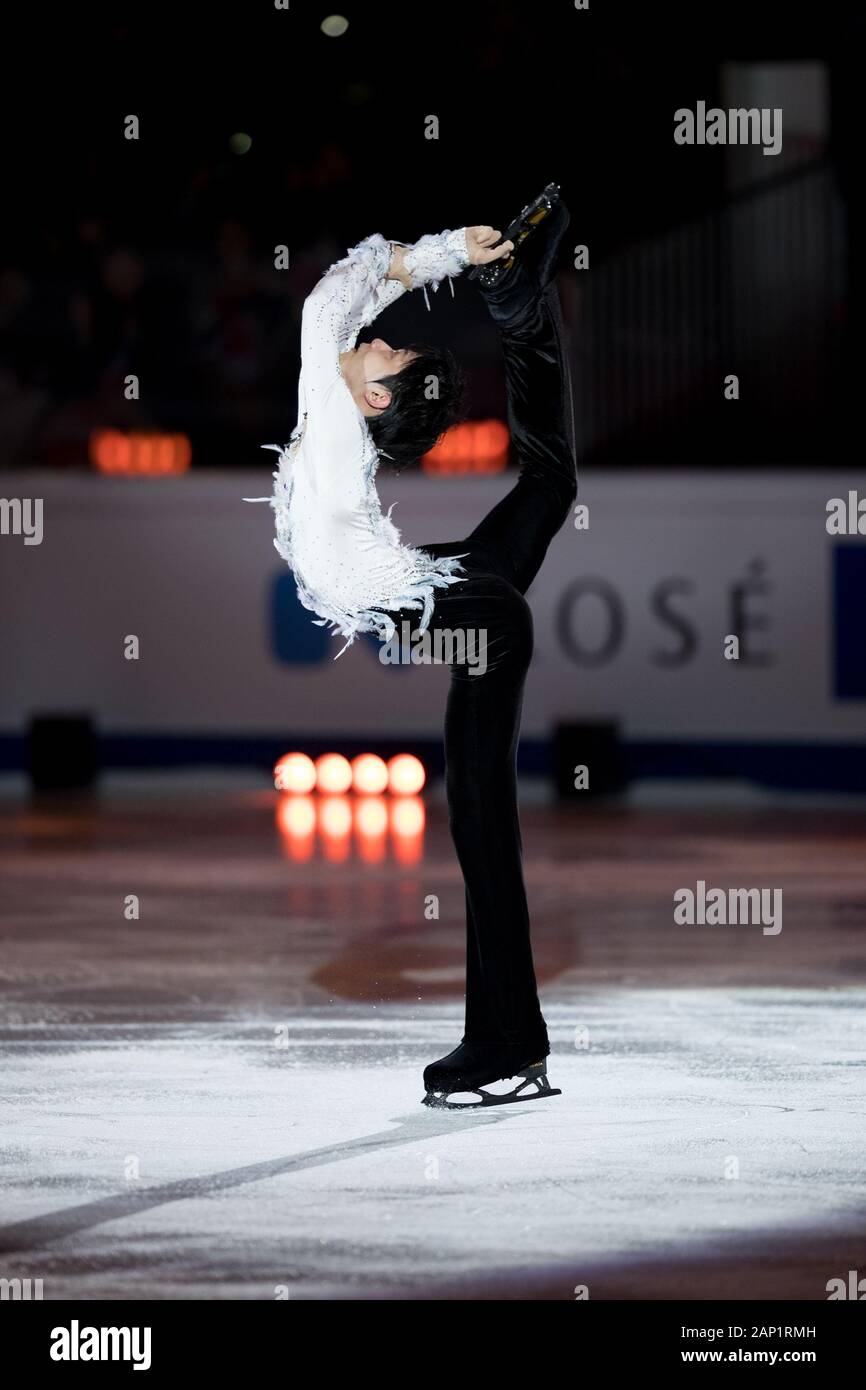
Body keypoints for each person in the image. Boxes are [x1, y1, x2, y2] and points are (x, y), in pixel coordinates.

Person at [252, 187, 577, 1108]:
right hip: (436, 596)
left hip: (455, 609)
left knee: (480, 819)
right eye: (392, 345)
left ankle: (507, 1040)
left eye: (390, 350)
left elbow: (332, 302)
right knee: (548, 486)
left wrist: (434, 255)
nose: (382, 338)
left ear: (375, 393)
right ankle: (524, 307)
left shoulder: (333, 401)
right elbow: (344, 304)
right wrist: (451, 260)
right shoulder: (338, 413)